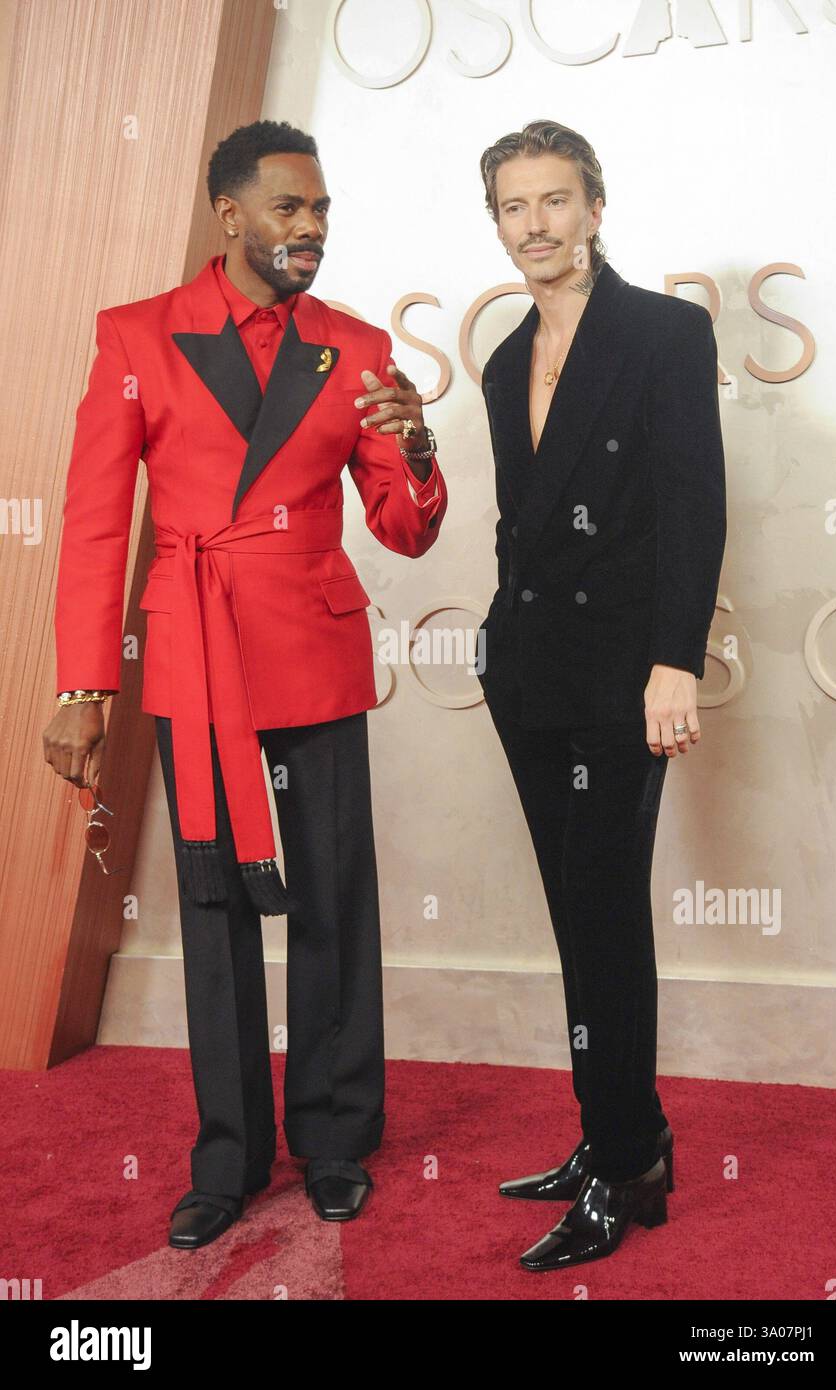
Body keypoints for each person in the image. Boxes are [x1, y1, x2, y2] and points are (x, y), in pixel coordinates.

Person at [43, 120, 446, 1250]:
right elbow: (91, 524)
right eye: (290, 209)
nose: (312, 228)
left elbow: (404, 532)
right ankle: (228, 1154)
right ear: (230, 216)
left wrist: (417, 451)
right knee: (214, 905)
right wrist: (85, 683)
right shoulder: (136, 336)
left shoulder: (359, 348)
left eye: (323, 211)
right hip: (194, 656)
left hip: (311, 651)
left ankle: (331, 1141)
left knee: (330, 895)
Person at [474, 119, 726, 1269]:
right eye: (515, 206)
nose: (536, 224)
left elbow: (694, 505)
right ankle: (608, 1136)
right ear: (498, 222)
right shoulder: (496, 360)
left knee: (609, 916)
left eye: (555, 201)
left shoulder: (666, 334)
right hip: (530, 679)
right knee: (578, 915)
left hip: (626, 678)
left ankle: (630, 1166)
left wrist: (674, 659)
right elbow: (519, 530)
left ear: (595, 207)